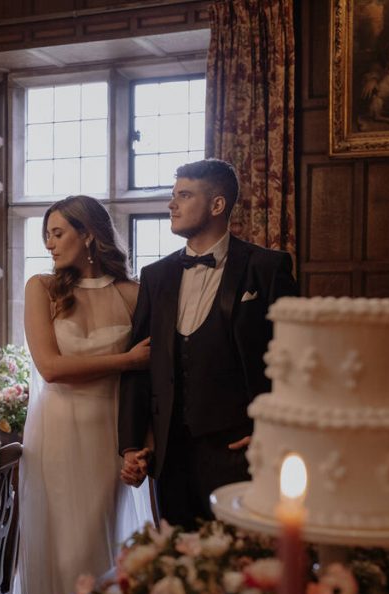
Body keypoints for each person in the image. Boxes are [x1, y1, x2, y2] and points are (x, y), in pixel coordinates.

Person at [117, 159, 298, 530]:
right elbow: (141, 364)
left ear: (217, 205)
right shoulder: (157, 276)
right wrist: (131, 444)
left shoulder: (266, 268)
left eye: (184, 195)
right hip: (170, 453)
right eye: (173, 195)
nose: (172, 204)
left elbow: (296, 355)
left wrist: (272, 423)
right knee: (180, 561)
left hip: (240, 450)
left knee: (240, 561)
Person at [8, 195, 154, 594]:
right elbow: (50, 368)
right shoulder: (43, 289)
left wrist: (140, 446)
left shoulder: (135, 294)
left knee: (100, 544)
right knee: (62, 550)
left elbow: (147, 386)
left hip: (109, 435)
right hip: (57, 435)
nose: (50, 244)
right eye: (46, 235)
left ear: (88, 234)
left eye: (58, 233)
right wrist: (127, 360)